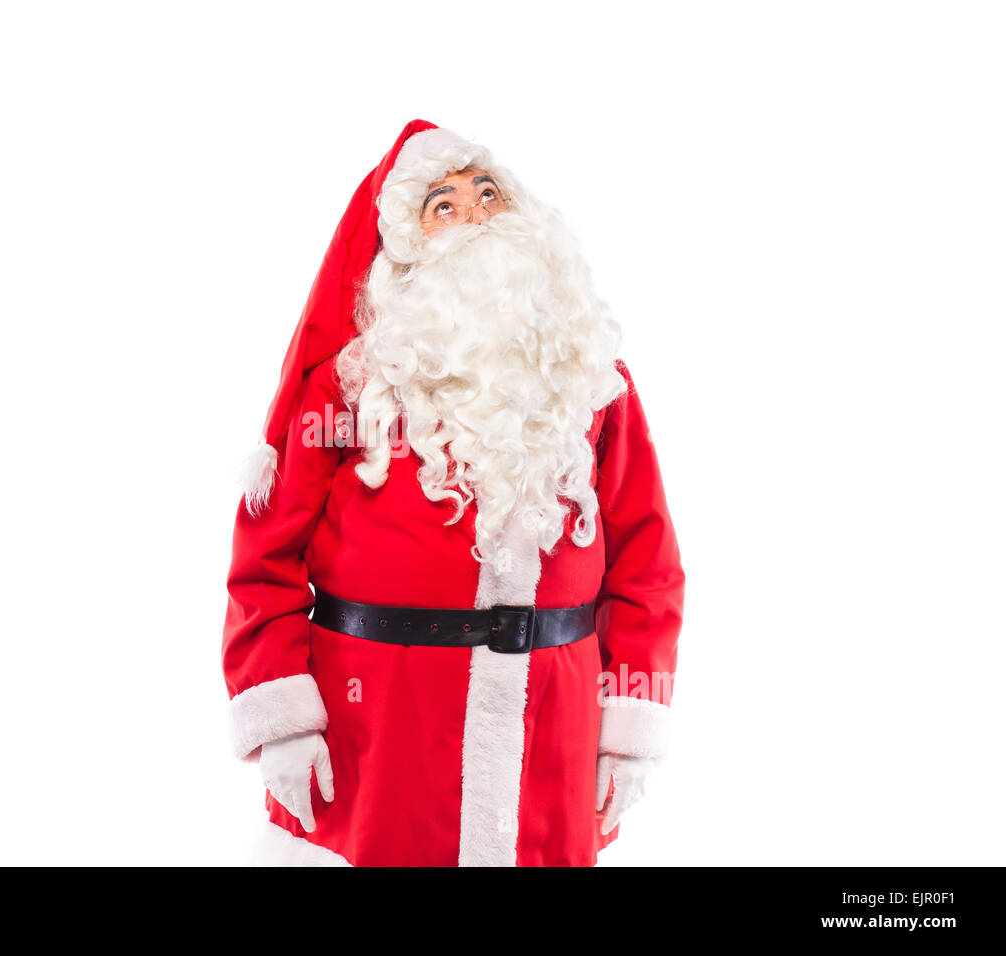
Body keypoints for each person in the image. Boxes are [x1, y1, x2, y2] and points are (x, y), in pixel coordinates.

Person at [221, 120, 685, 866]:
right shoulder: (347, 388)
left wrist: (630, 729)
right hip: (376, 735)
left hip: (553, 734)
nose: (475, 213)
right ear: (409, 249)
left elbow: (649, 566)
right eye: (444, 204)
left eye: (488, 193)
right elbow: (263, 563)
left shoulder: (593, 383)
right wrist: (283, 720)